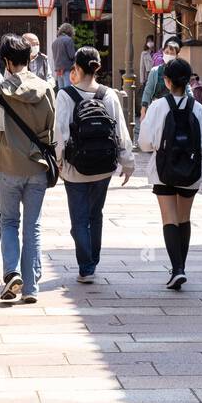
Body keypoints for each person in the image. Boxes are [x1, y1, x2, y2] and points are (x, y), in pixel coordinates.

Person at [0, 33, 56, 305]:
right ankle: (31, 287)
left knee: (9, 222)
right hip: (37, 166)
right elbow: (52, 128)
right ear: (29, 58)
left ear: (6, 61)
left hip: (8, 165)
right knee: (32, 227)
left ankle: (12, 272)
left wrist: (0, 157)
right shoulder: (46, 89)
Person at [55, 46, 134, 284]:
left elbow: (60, 133)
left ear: (76, 69)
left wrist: (59, 161)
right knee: (95, 215)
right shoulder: (108, 94)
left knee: (78, 219)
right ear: (98, 68)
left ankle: (86, 267)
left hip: (75, 168)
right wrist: (127, 163)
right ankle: (92, 261)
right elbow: (120, 130)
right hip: (103, 167)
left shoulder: (65, 95)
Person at [139, 57, 202, 289]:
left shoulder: (158, 106)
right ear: (188, 80)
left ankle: (177, 269)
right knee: (184, 218)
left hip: (163, 171)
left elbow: (144, 143)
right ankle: (180, 268)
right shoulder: (197, 108)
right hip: (191, 171)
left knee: (169, 218)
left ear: (167, 81)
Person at [139, 35, 184, 117]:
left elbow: (187, 90)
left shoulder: (181, 71)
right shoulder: (155, 71)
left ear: (177, 55)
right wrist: (143, 110)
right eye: (167, 52)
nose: (169, 55)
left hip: (176, 110)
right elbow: (148, 91)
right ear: (163, 53)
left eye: (172, 53)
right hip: (158, 110)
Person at [51, 22, 77, 89]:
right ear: (70, 31)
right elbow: (72, 56)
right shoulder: (68, 40)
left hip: (58, 70)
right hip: (67, 69)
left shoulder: (55, 42)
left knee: (61, 92)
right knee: (69, 91)